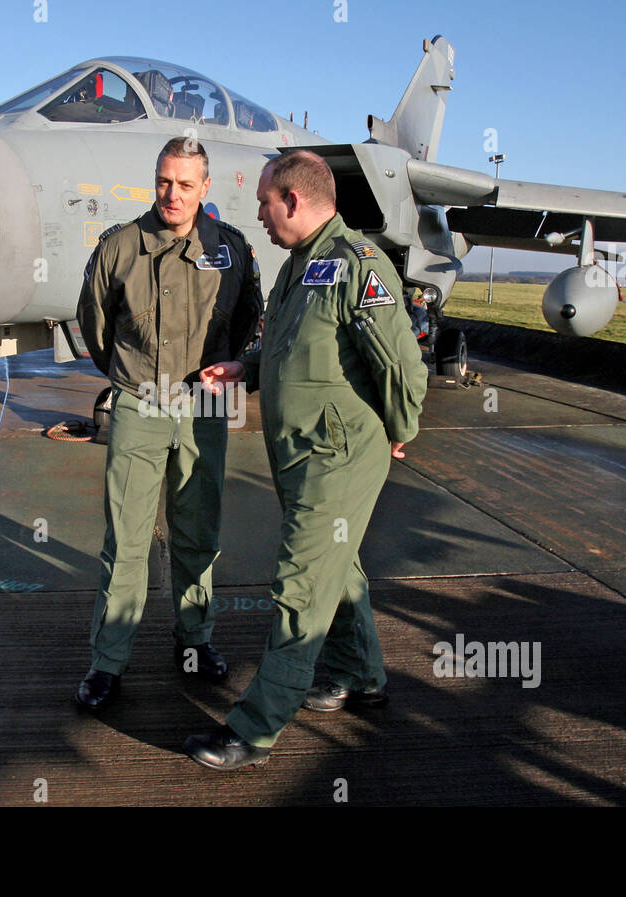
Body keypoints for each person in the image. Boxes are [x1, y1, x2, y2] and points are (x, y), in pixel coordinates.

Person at [185, 150, 428, 769]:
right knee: (336, 570)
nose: (260, 215)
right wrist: (249, 368)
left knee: (299, 584)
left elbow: (400, 365)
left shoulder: (358, 265)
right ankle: (362, 675)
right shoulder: (298, 265)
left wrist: (402, 428)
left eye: (265, 202)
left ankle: (255, 728)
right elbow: (296, 348)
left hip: (337, 454)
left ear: (292, 200)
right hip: (298, 451)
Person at [74, 136, 263, 711]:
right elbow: (96, 328)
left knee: (198, 533)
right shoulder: (119, 248)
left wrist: (232, 375)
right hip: (139, 401)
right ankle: (108, 662)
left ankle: (195, 641)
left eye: (185, 184)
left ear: (205, 188)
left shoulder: (231, 248)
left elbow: (253, 324)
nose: (172, 195)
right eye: (163, 181)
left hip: (205, 405)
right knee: (126, 542)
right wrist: (132, 382)